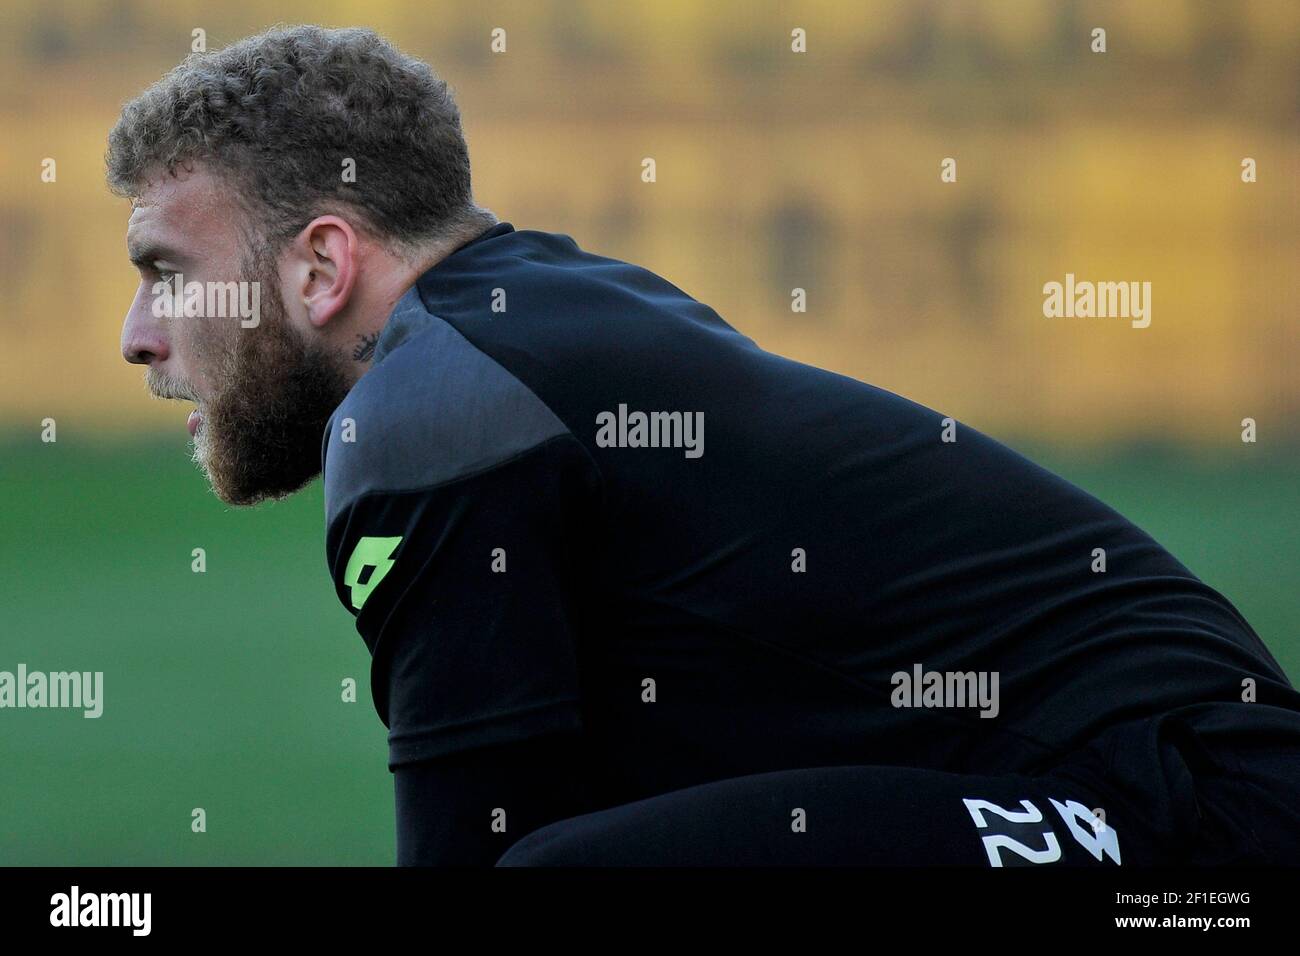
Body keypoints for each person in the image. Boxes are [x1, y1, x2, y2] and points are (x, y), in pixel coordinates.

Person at [110, 25, 1300, 867]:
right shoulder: (529, 314)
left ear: (321, 263)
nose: (136, 336)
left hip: (1184, 808)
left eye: (168, 272)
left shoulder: (430, 410)